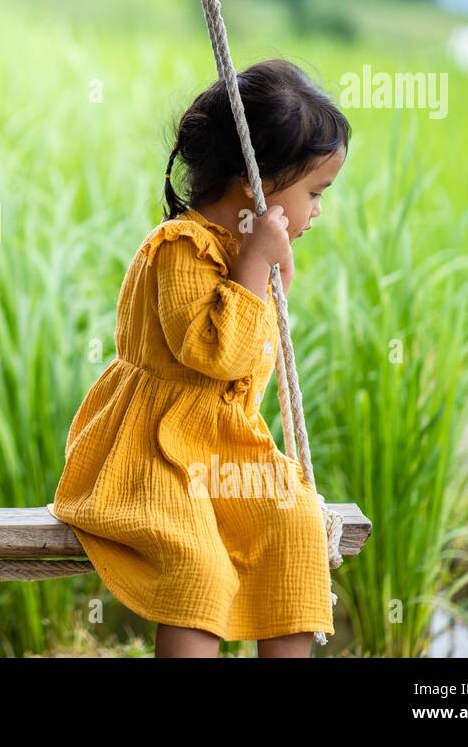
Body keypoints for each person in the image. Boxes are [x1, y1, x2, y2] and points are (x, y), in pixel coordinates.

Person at [48, 59, 351, 657]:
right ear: (255, 182)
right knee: (199, 566)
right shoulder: (181, 250)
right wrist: (255, 268)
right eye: (312, 193)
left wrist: (259, 264)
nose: (317, 210)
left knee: (295, 530)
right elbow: (217, 354)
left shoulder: (244, 250)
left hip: (220, 450)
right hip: (149, 455)